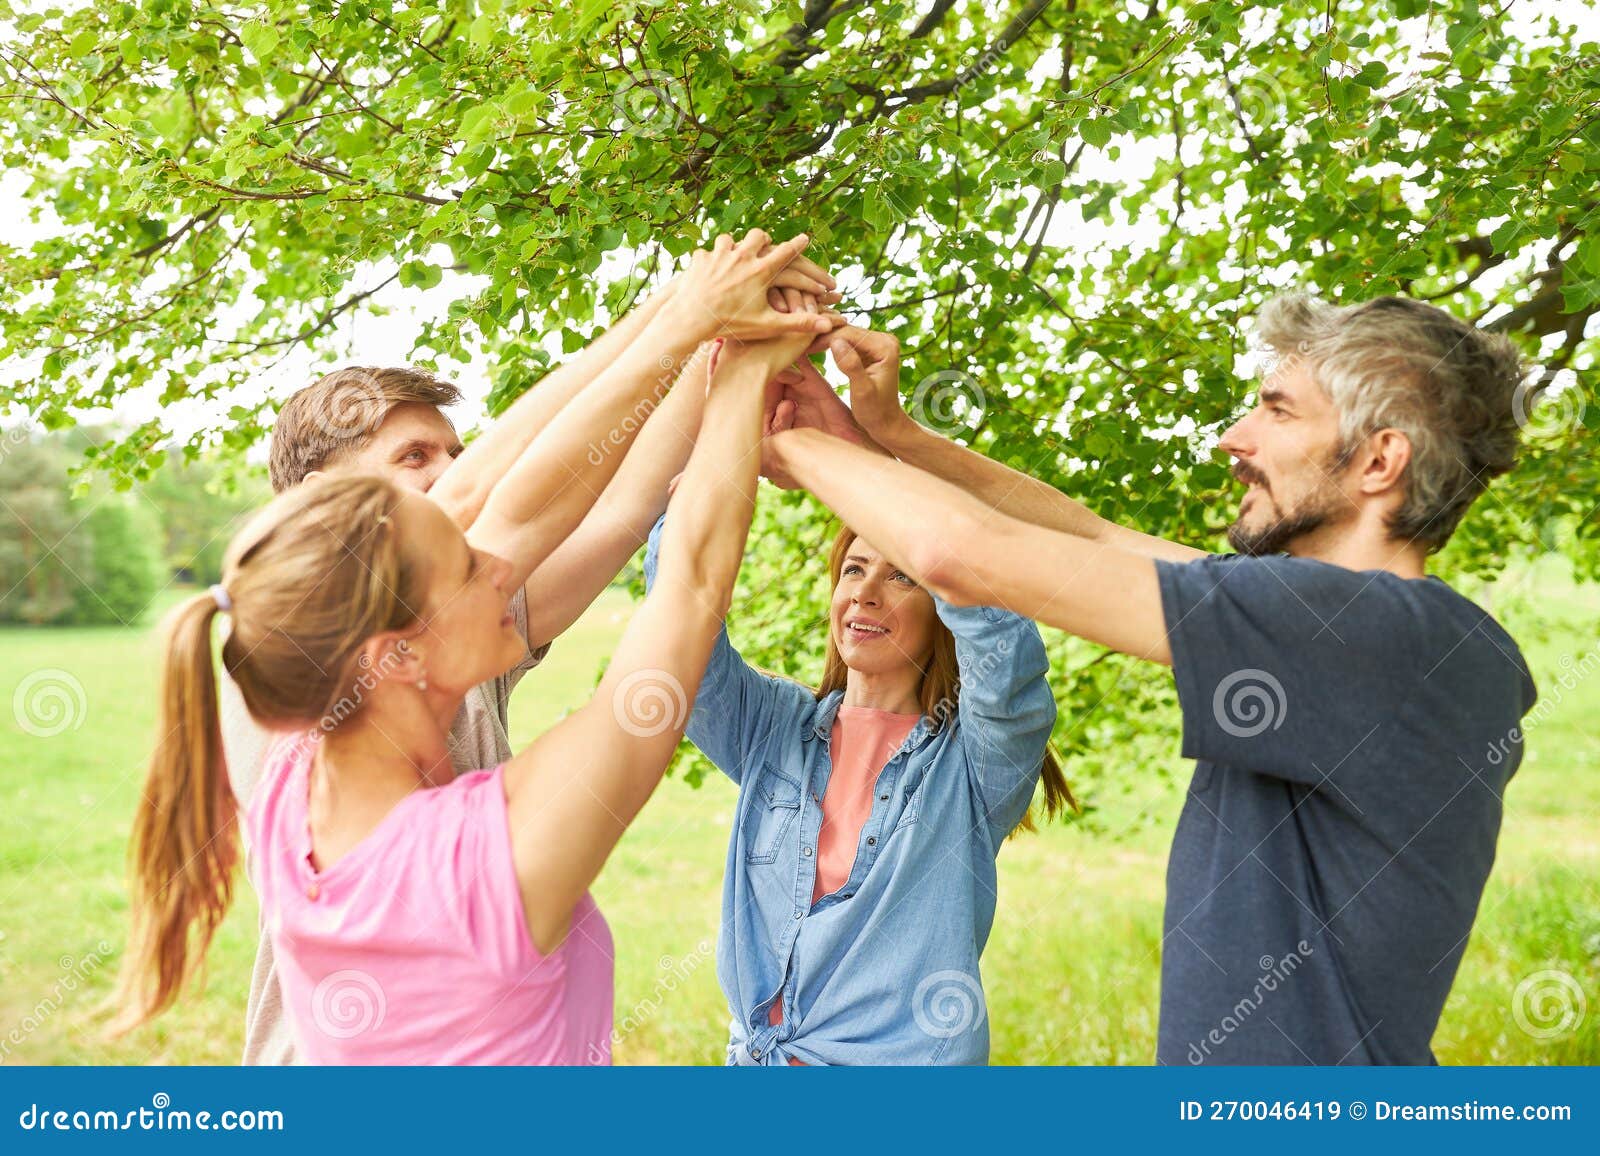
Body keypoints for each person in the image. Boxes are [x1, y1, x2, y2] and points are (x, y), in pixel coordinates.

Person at [766, 296, 1539, 1065]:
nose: (1235, 439)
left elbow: (959, 555)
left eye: (1278, 412)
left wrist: (785, 441)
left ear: (1379, 460)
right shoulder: (1408, 635)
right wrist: (892, 437)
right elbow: (1090, 533)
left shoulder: (1359, 632)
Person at [114, 234, 828, 1062]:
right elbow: (658, 564)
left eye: (451, 454)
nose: (494, 555)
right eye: (412, 461)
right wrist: (709, 336)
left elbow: (569, 505)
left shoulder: (301, 768)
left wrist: (710, 341)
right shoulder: (484, 858)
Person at [642, 350, 1072, 1065]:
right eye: (853, 569)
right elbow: (679, 621)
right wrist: (723, 454)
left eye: (901, 575)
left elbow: (1000, 640)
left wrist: (870, 456)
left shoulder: (972, 764)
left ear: (939, 606)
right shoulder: (770, 729)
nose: (865, 595)